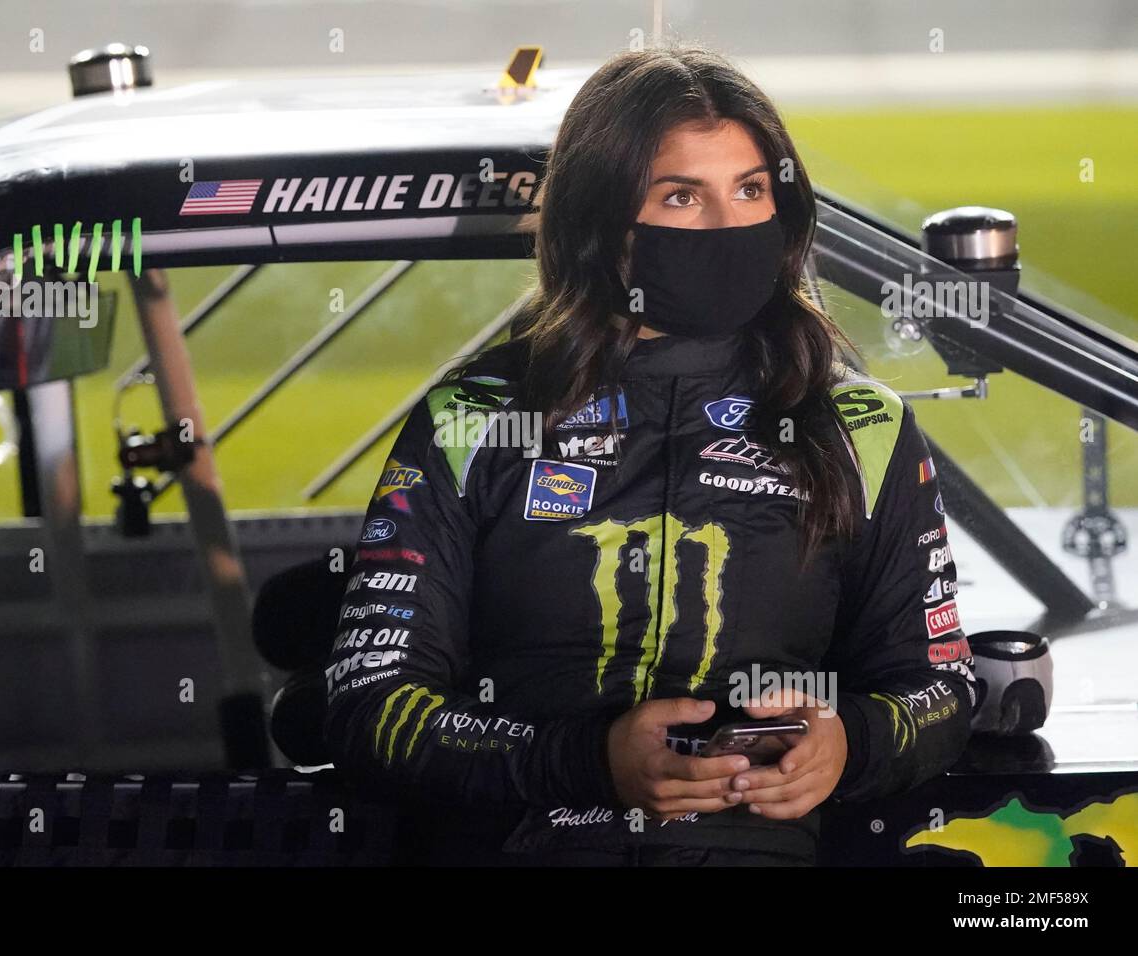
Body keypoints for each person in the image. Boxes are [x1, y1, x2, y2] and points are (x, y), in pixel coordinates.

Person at [322, 44, 977, 866]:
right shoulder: (476, 418)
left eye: (750, 189)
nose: (728, 224)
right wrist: (585, 761)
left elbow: (943, 689)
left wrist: (851, 743)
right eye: (681, 195)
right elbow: (367, 704)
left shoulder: (858, 425)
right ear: (601, 224)